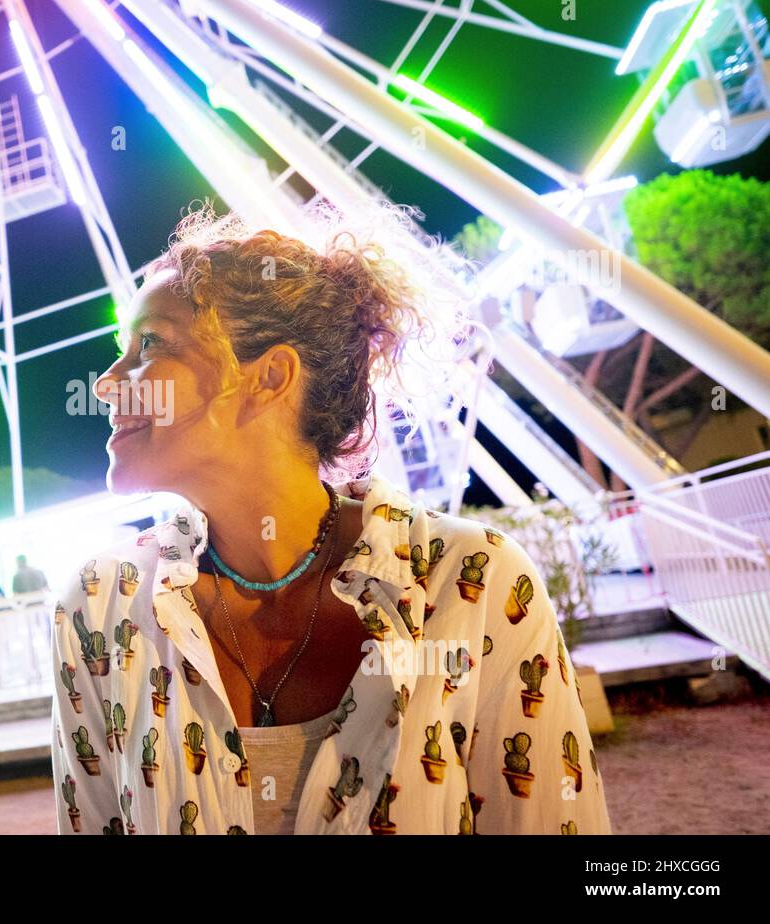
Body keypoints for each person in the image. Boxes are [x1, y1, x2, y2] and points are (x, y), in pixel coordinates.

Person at [49, 201, 612, 835]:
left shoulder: (472, 585)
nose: (106, 383)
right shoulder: (101, 608)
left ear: (269, 378)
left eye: (150, 344)